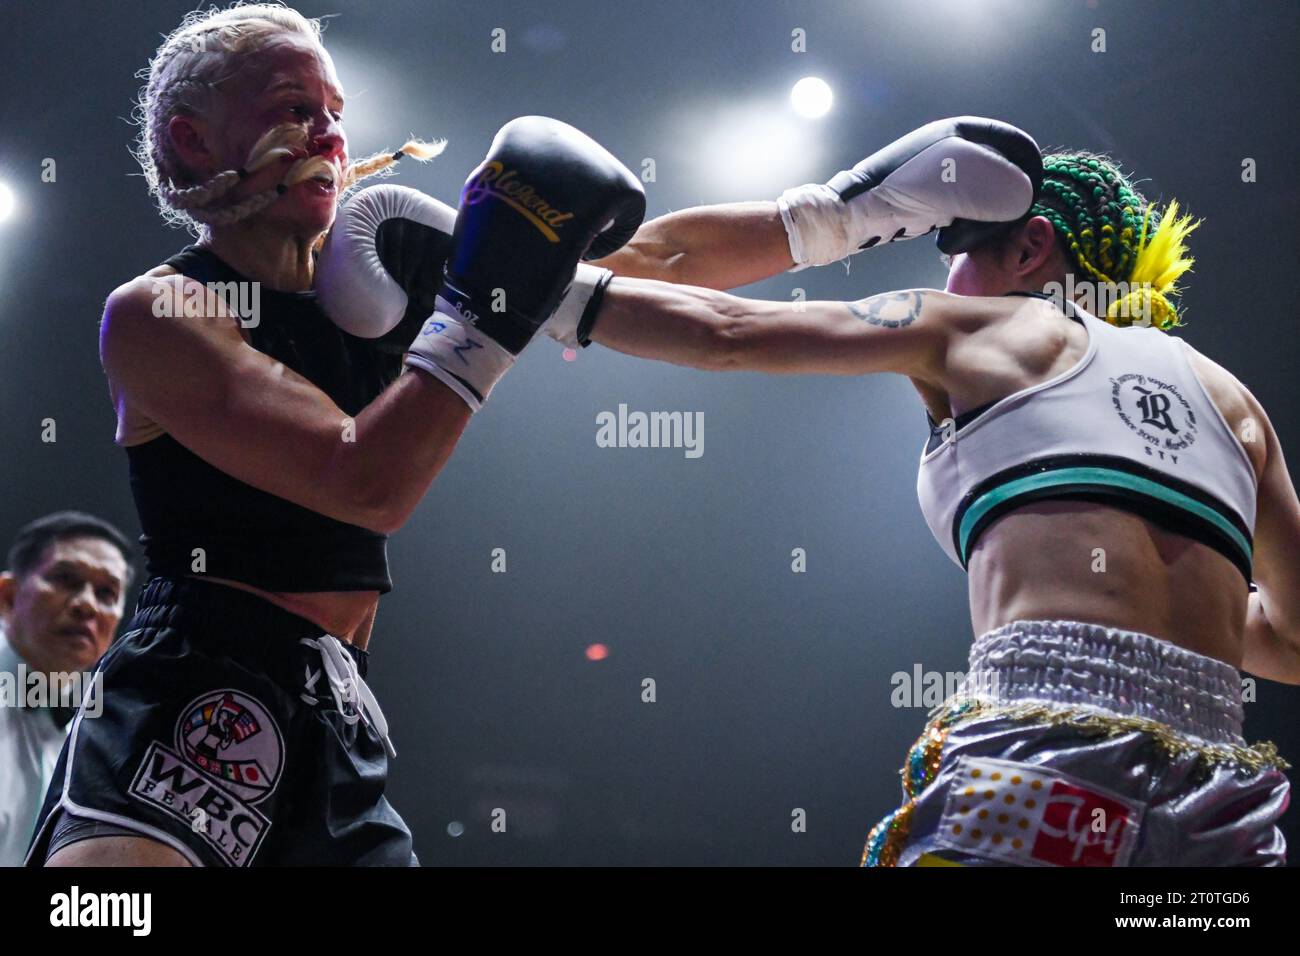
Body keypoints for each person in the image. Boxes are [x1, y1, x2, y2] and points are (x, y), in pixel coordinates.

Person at [546, 126, 1299, 866]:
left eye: (956, 251)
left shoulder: (988, 329)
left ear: (1031, 248)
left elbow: (727, 330)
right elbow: (1293, 642)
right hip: (1222, 804)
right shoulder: (1235, 403)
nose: (946, 282)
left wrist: (522, 282)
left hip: (1046, 760)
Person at [29, 3, 644, 866]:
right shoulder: (161, 309)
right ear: (196, 143)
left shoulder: (389, 266)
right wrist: (476, 321)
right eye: (292, 108)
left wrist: (833, 218)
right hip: (195, 689)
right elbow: (365, 482)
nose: (326, 132)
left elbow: (642, 275)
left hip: (339, 710)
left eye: (335, 114)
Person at [0, 511, 131, 866]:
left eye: (106, 593)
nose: (87, 604)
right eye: (65, 579)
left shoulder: (107, 732)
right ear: (8, 596)